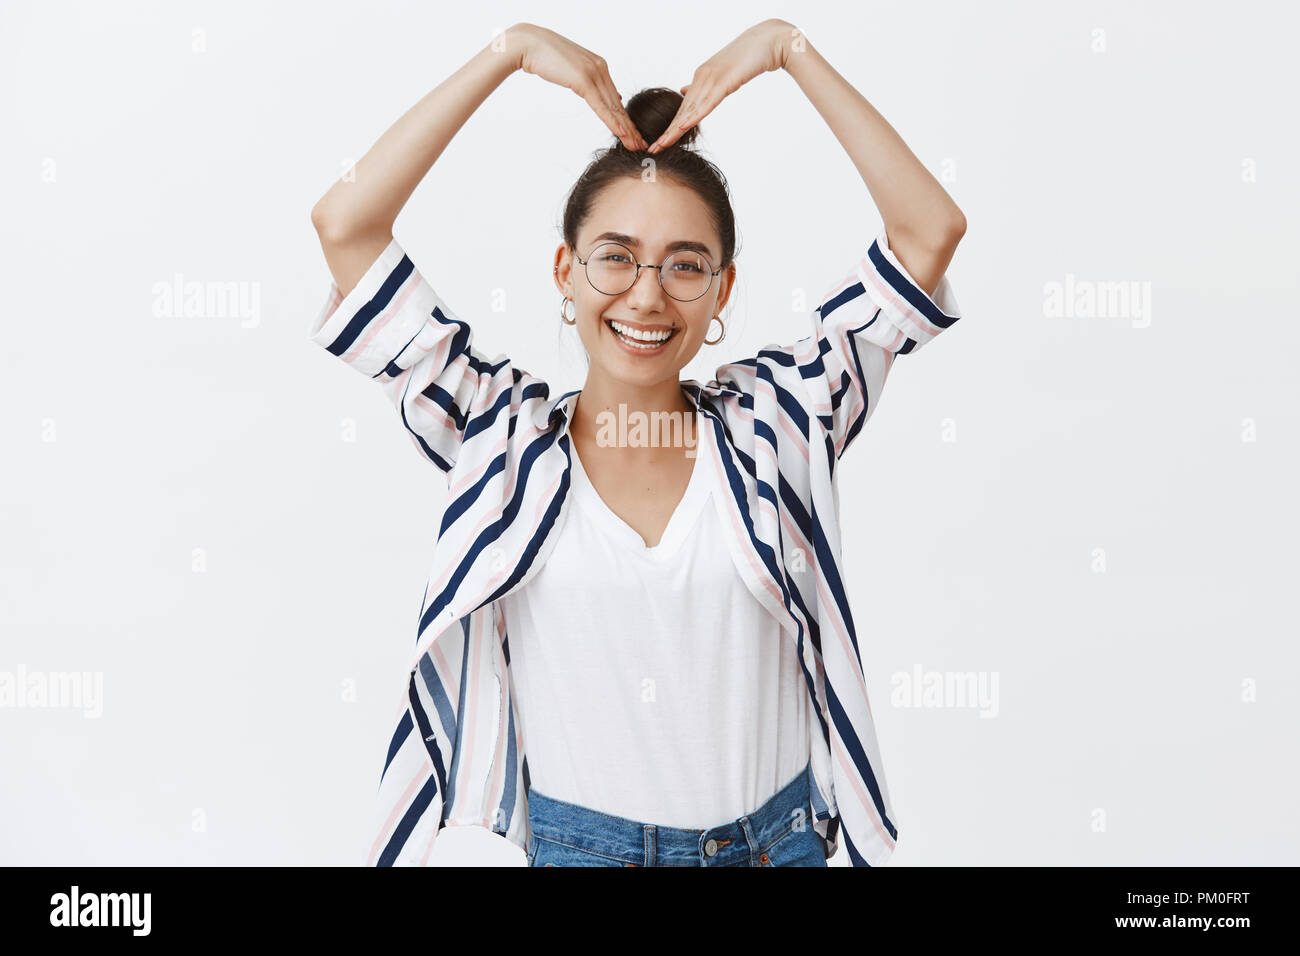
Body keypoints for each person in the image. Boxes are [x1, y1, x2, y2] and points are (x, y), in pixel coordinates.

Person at [308, 19, 965, 867]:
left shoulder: (781, 423)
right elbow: (344, 224)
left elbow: (928, 232)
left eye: (685, 264)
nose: (647, 296)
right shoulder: (499, 438)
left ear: (723, 286)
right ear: (565, 272)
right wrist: (507, 53)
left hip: (774, 848)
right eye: (615, 257)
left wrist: (787, 51)